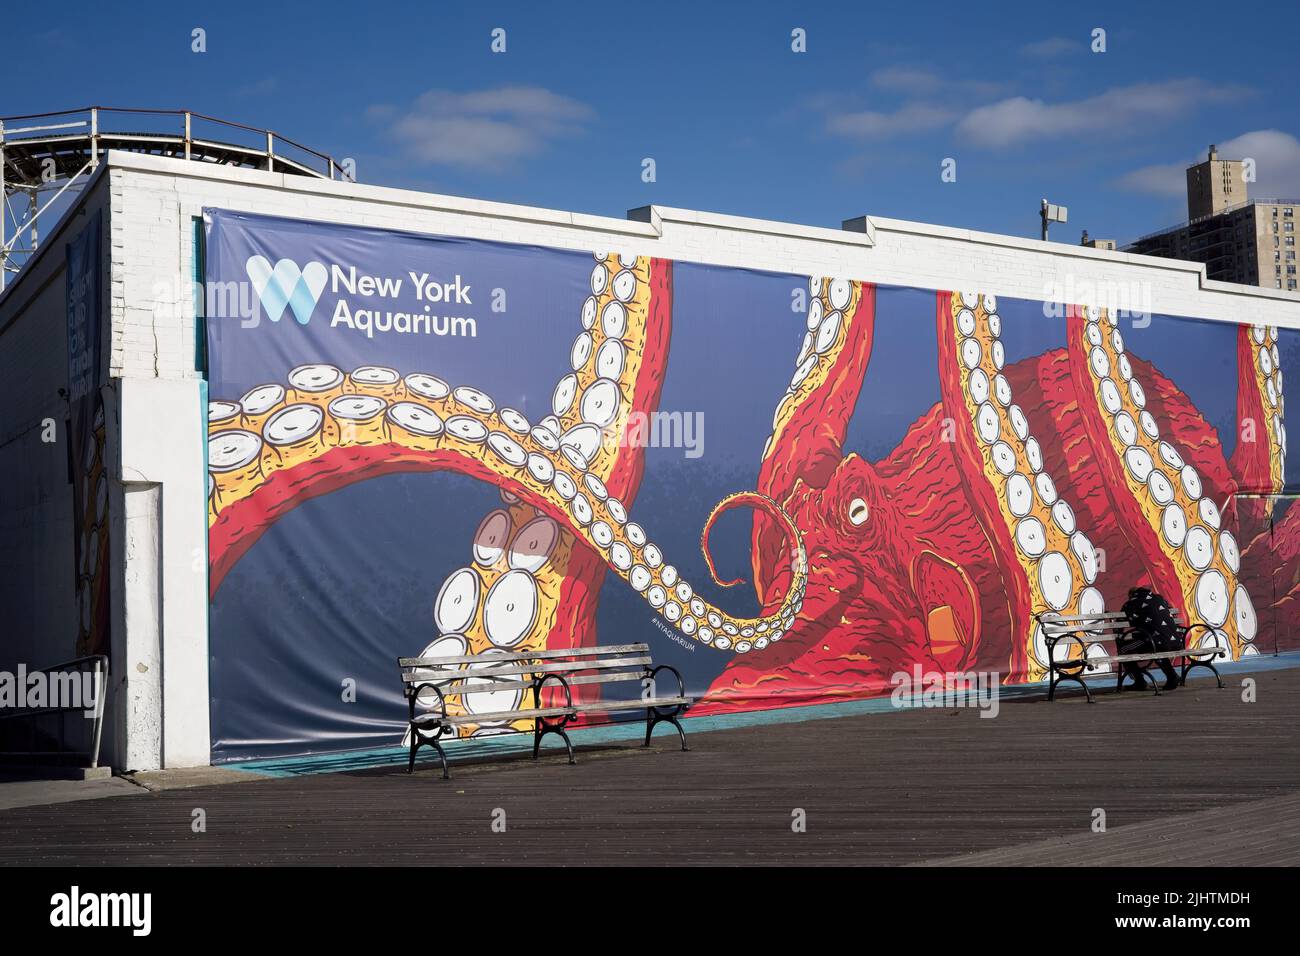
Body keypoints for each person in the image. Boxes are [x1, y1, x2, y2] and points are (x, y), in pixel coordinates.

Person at [1119, 586, 1184, 691]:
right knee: (1158, 648)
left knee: (1124, 649)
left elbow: (1120, 620)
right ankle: (1172, 676)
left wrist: (1120, 635)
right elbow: (1171, 612)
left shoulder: (1132, 602)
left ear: (1131, 595)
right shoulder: (1159, 598)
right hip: (1176, 641)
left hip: (1157, 641)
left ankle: (1139, 681)